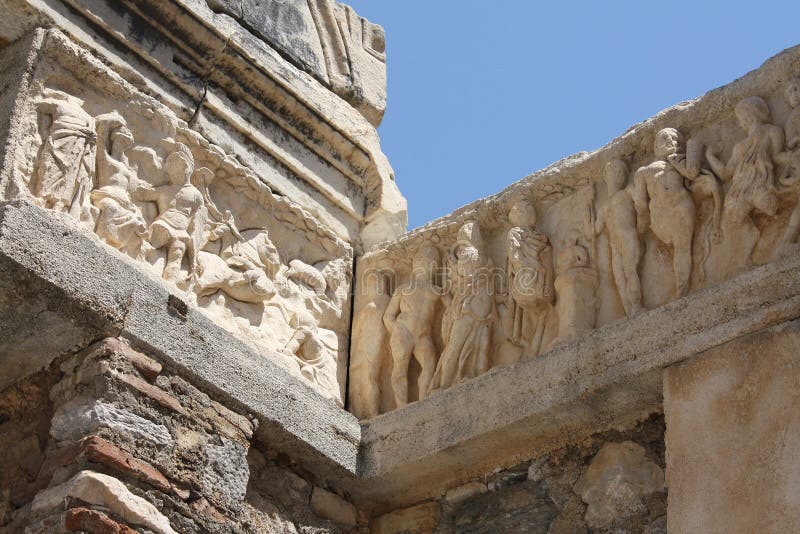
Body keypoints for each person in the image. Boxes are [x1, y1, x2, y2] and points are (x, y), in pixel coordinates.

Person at [429, 223, 496, 393]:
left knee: (454, 347)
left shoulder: (468, 254)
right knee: (480, 345)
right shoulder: (486, 259)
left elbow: (461, 278)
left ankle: (445, 385)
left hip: (467, 307)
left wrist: (450, 263)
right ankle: (476, 376)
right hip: (483, 309)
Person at [633, 128, 696, 297]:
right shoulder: (643, 171)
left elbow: (694, 176)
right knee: (667, 251)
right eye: (665, 138)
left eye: (675, 139)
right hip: (661, 214)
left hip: (682, 207)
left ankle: (682, 289)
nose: (671, 141)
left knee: (683, 247)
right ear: (655, 146)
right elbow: (640, 203)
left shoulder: (680, 162)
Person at [135, 143, 205, 282]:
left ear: (188, 169)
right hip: (163, 225)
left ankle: (169, 285)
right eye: (172, 170)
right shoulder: (165, 190)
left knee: (176, 258)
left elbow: (196, 221)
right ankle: (139, 263)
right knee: (148, 246)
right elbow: (144, 194)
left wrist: (193, 259)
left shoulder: (196, 195)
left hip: (181, 232)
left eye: (177, 169)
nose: (174, 174)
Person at [383, 245, 440, 407]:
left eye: (429, 260)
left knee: (430, 365)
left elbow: (452, 309)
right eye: (420, 260)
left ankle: (424, 401)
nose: (424, 263)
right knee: (400, 368)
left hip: (423, 335)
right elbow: (388, 316)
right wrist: (396, 329)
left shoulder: (437, 291)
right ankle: (402, 406)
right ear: (414, 265)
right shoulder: (403, 289)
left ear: (435, 267)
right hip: (403, 332)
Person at [32, 89, 96, 225]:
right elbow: (38, 105)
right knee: (50, 168)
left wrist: (91, 138)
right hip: (58, 139)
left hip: (78, 145)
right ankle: (42, 198)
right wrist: (44, 133)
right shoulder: (58, 104)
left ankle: (60, 205)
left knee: (70, 175)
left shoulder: (88, 117)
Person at [91, 112, 148, 258]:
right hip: (106, 196)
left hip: (124, 205)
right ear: (113, 140)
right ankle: (100, 239)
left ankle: (118, 247)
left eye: (125, 142)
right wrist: (107, 122)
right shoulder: (106, 159)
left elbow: (138, 188)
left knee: (137, 221)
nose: (121, 144)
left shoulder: (127, 169)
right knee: (111, 207)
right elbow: (99, 142)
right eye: (119, 140)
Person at [595, 159, 643, 316]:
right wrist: (586, 211)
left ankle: (636, 305)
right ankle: (629, 312)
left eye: (620, 173)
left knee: (630, 271)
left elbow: (641, 203)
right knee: (619, 279)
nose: (616, 176)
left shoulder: (628, 191)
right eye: (612, 173)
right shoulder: (603, 207)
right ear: (606, 178)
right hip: (614, 244)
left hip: (629, 236)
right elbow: (596, 229)